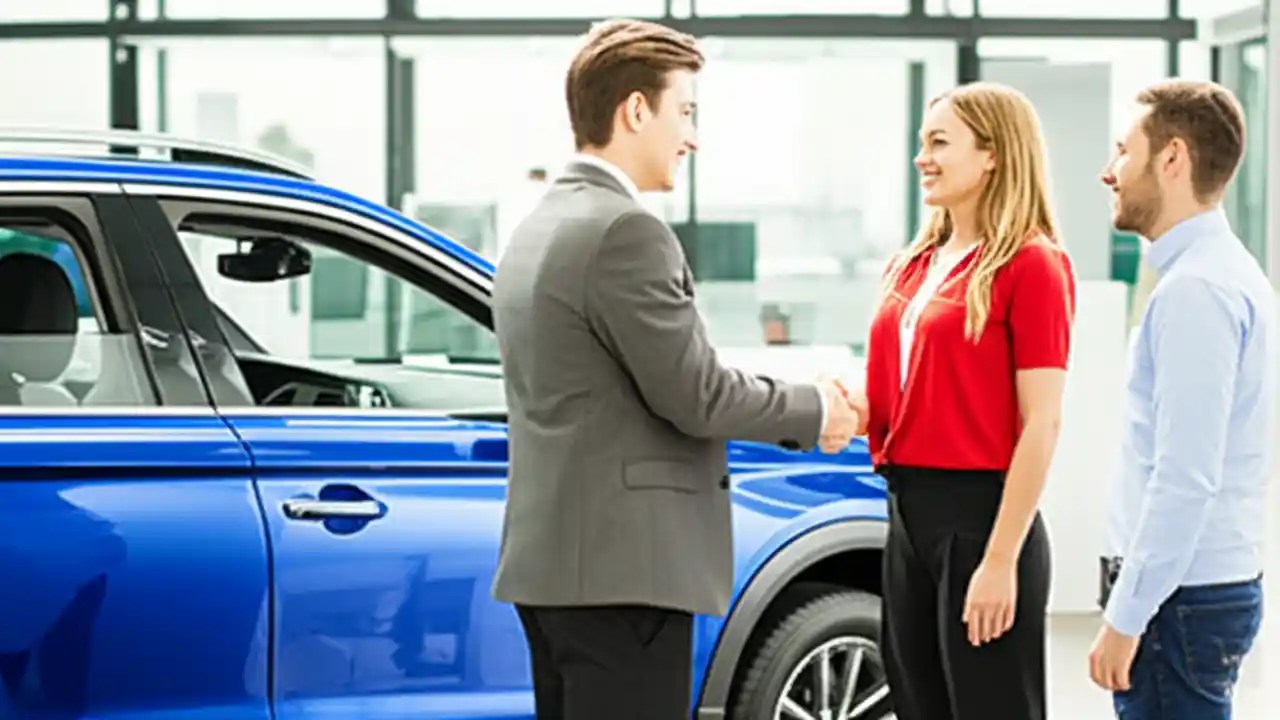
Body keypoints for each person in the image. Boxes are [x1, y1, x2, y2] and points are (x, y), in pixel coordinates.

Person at [489, 18, 863, 720]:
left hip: (557, 569)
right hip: (622, 578)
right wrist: (818, 409)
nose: (692, 136)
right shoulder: (625, 232)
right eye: (684, 112)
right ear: (636, 110)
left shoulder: (539, 226)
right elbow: (697, 394)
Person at [855, 81, 1075, 720]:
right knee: (917, 703)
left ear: (993, 155)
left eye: (939, 143)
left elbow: (1043, 422)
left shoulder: (1033, 264)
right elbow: (895, 393)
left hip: (981, 518)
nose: (922, 157)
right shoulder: (913, 263)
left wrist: (1000, 558)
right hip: (906, 513)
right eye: (922, 142)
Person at [1090, 79, 1273, 719]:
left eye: (1121, 151)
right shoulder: (1211, 274)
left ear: (1171, 159)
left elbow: (1186, 476)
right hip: (1188, 593)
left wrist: (1127, 615)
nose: (1107, 173)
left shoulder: (1198, 291)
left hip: (1179, 602)